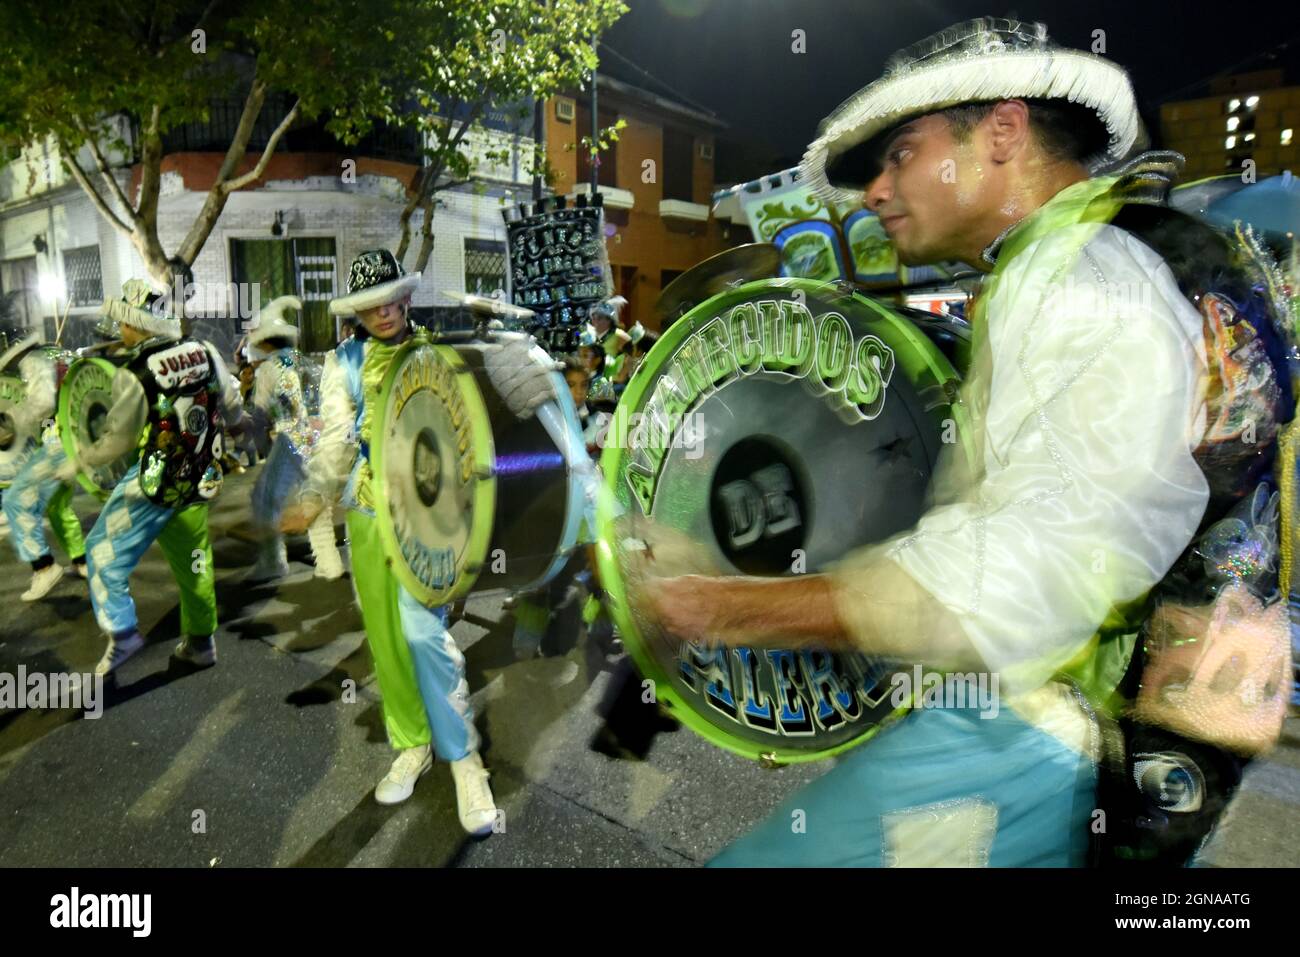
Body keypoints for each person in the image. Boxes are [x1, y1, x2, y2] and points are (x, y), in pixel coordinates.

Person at [632, 17, 1289, 867]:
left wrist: (719, 608)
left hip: (1045, 733)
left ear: (1005, 133)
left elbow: (1025, 575)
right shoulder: (1061, 266)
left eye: (903, 152)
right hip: (1068, 734)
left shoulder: (1084, 281)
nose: (875, 190)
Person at [280, 249, 500, 834]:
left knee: (421, 630)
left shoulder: (436, 352)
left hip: (430, 515)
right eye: (369, 304)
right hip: (369, 511)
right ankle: (412, 742)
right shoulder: (343, 363)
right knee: (383, 633)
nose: (382, 311)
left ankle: (464, 760)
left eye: (391, 298)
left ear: (406, 297)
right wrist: (312, 497)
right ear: (358, 310)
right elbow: (335, 441)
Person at [68, 279, 246, 675]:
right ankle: (201, 643)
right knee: (196, 562)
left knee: (100, 552)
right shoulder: (206, 351)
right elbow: (231, 406)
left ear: (138, 323)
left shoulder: (134, 374)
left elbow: (118, 441)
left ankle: (123, 632)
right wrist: (240, 428)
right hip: (201, 479)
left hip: (153, 485)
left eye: (124, 323)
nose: (121, 330)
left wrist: (80, 459)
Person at [245, 295, 344, 581]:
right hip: (320, 434)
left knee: (264, 497)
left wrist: (252, 438)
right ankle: (329, 563)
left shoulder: (268, 369)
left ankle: (272, 561)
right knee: (315, 496)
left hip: (293, 438)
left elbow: (260, 414)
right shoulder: (305, 360)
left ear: (266, 341)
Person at [0, 332, 89, 599]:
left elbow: (43, 403)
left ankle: (44, 567)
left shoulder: (32, 361)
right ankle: (82, 560)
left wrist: (11, 420)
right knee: (58, 505)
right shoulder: (54, 353)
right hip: (76, 436)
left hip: (57, 440)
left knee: (16, 500)